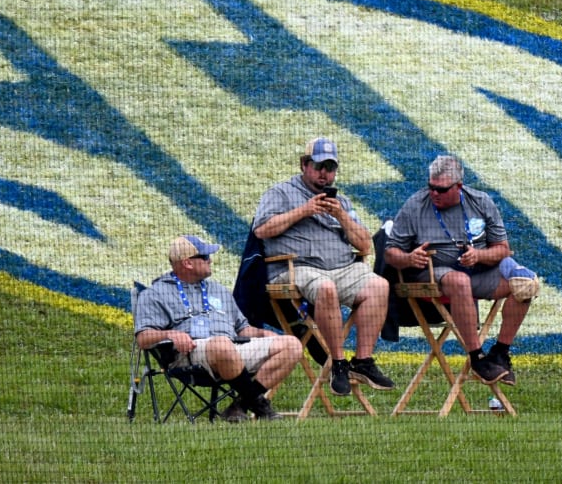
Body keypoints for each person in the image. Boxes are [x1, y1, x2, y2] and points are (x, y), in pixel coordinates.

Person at [251, 137, 394, 397]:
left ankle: (362, 361)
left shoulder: (343, 202)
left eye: (330, 168)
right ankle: (338, 363)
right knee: (326, 288)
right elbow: (261, 230)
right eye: (319, 167)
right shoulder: (280, 193)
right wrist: (303, 211)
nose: (324, 174)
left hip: (342, 267)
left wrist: (340, 216)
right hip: (296, 268)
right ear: (304, 165)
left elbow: (365, 246)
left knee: (379, 285)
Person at [384, 155, 540, 385]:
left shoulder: (481, 201)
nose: (434, 193)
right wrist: (408, 258)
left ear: (458, 186)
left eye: (441, 189)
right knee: (459, 281)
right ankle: (477, 357)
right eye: (431, 187)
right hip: (430, 274)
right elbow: (390, 252)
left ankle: (500, 351)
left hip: (477, 272)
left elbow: (503, 250)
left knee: (526, 284)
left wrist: (479, 255)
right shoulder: (415, 205)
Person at [135, 235, 302, 422]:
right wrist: (171, 334)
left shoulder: (218, 290)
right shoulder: (155, 294)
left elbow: (243, 329)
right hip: (189, 354)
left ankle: (240, 406)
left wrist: (263, 334)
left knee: (291, 345)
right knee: (221, 344)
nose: (210, 260)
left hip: (233, 348)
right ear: (188, 263)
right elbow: (143, 338)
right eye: (205, 257)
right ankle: (260, 406)